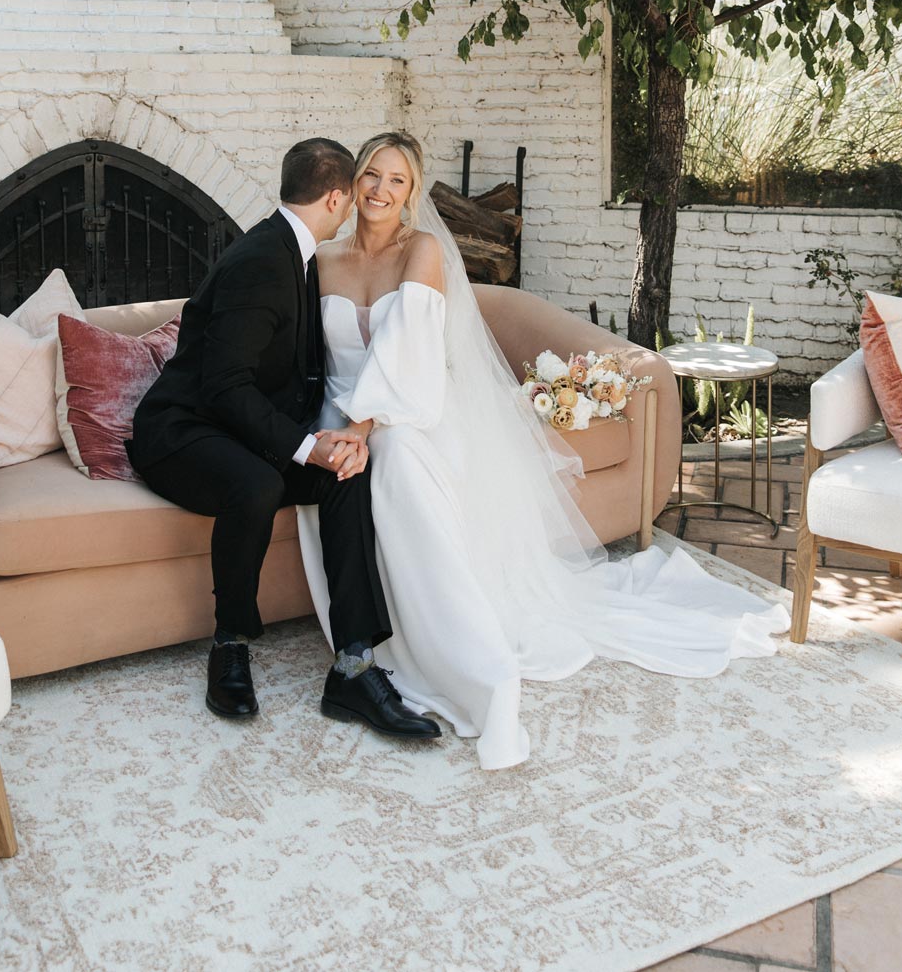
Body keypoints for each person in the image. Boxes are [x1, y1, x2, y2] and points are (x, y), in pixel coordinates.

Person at [300, 131, 791, 770]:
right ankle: (387, 653)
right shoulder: (324, 260)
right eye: (371, 174)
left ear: (412, 192)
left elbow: (408, 353)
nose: (380, 190)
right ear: (351, 181)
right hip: (341, 415)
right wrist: (328, 431)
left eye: (396, 180)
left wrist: (363, 430)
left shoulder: (420, 251)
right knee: (339, 473)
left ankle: (479, 669)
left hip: (412, 411)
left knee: (399, 467)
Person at [126, 136, 440, 741]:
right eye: (361, 186)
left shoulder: (301, 253)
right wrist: (304, 444)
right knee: (257, 482)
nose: (368, 199)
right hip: (180, 431)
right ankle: (229, 643)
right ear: (336, 196)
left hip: (235, 425)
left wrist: (339, 441)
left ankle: (353, 664)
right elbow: (222, 387)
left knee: (347, 470)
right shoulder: (262, 261)